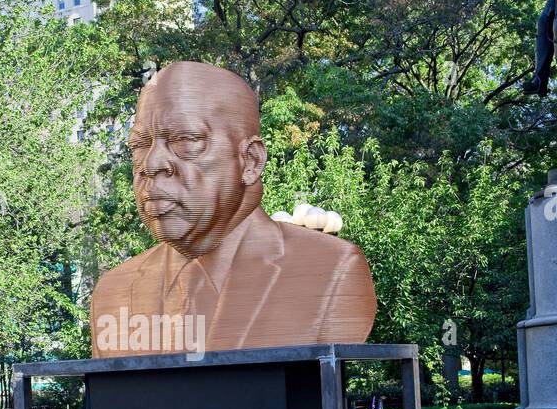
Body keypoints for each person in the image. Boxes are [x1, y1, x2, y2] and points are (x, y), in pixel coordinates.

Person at [89, 62, 376, 357]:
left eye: (186, 140)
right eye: (140, 145)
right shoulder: (113, 293)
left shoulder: (330, 270)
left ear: (251, 161)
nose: (151, 164)